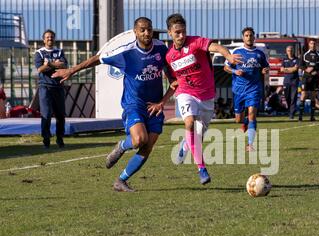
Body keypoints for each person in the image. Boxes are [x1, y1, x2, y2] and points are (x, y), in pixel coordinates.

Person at [53, 17, 175, 192]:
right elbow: (98, 58)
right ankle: (122, 146)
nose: (146, 33)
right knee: (139, 140)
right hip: (134, 104)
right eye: (142, 30)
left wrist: (163, 100)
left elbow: (173, 76)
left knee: (148, 147)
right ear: (135, 32)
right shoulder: (126, 52)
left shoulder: (161, 49)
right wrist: (72, 70)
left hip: (155, 105)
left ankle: (121, 181)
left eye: (149, 29)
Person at [165, 13, 242, 184]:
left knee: (198, 135)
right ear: (169, 32)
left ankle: (185, 145)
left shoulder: (196, 42)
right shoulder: (169, 56)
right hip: (186, 94)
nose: (181, 35)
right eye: (177, 32)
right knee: (189, 123)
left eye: (183, 31)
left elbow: (217, 47)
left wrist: (228, 56)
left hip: (207, 96)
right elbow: (173, 77)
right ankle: (202, 169)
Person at [224, 27, 269, 152]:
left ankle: (249, 144)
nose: (249, 37)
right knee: (238, 119)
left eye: (251, 35)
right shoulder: (237, 51)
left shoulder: (259, 53)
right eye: (246, 35)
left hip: (254, 89)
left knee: (252, 115)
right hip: (239, 90)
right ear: (243, 37)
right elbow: (226, 68)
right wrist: (235, 71)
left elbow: (266, 67)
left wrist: (265, 70)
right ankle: (244, 122)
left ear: (254, 37)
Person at [35, 29, 68, 148]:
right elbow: (40, 69)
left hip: (58, 86)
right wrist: (53, 64)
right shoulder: (39, 52)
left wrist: (48, 64)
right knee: (46, 113)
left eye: (52, 37)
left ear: (54, 39)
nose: (50, 39)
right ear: (44, 40)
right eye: (47, 37)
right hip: (45, 87)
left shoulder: (59, 51)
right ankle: (46, 139)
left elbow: (64, 65)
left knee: (60, 115)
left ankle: (60, 138)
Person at [299, 38, 319, 122]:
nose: (313, 45)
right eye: (311, 44)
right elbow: (301, 65)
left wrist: (315, 70)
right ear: (309, 45)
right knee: (303, 95)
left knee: (313, 96)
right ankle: (300, 117)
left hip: (314, 78)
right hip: (306, 78)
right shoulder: (305, 54)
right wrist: (306, 70)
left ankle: (312, 116)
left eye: (314, 44)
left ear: (316, 45)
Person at [280, 46, 300, 119]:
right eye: (288, 50)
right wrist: (290, 69)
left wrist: (287, 69)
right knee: (287, 97)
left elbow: (295, 69)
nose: (290, 52)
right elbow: (281, 69)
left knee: (293, 97)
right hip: (286, 81)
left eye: (291, 50)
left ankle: (291, 114)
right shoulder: (284, 59)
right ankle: (290, 110)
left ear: (293, 51)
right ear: (286, 51)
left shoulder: (297, 59)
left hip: (294, 81)